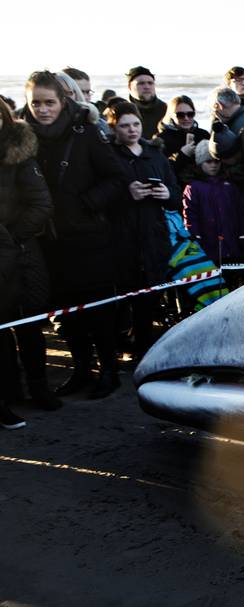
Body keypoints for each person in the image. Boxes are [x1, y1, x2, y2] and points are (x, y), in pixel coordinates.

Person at [21, 71, 126, 399]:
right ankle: (81, 370)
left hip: (88, 237)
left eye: (49, 102)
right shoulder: (23, 138)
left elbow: (116, 178)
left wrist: (87, 203)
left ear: (62, 100)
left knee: (98, 309)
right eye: (35, 102)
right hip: (49, 241)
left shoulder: (86, 133)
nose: (43, 109)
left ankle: (109, 370)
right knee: (66, 312)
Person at [107, 101, 181, 360]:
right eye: (124, 126)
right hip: (121, 237)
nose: (131, 130)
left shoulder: (155, 154)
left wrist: (166, 193)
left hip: (153, 234)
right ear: (114, 128)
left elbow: (175, 194)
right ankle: (118, 346)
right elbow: (100, 198)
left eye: (136, 124)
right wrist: (127, 195)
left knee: (148, 297)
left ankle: (143, 349)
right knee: (120, 298)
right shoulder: (109, 156)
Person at [0, 98, 59, 424]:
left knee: (28, 322)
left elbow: (41, 204)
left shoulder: (19, 154)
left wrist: (10, 238)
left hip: (22, 250)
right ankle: (10, 392)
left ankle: (39, 388)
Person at [183, 139, 244, 265]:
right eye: (208, 162)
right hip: (207, 244)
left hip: (231, 243)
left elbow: (241, 212)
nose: (213, 165)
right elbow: (190, 215)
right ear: (200, 163)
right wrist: (194, 238)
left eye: (216, 161)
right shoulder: (193, 187)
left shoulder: (230, 185)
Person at [158, 96, 210, 185]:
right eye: (180, 115)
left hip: (202, 186)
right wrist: (183, 155)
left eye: (190, 114)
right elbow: (162, 171)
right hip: (175, 187)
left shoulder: (203, 135)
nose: (186, 118)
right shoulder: (162, 139)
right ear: (171, 116)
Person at [124, 66, 167, 140]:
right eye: (141, 83)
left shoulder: (166, 109)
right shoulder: (122, 110)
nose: (147, 87)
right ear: (129, 87)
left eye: (150, 83)